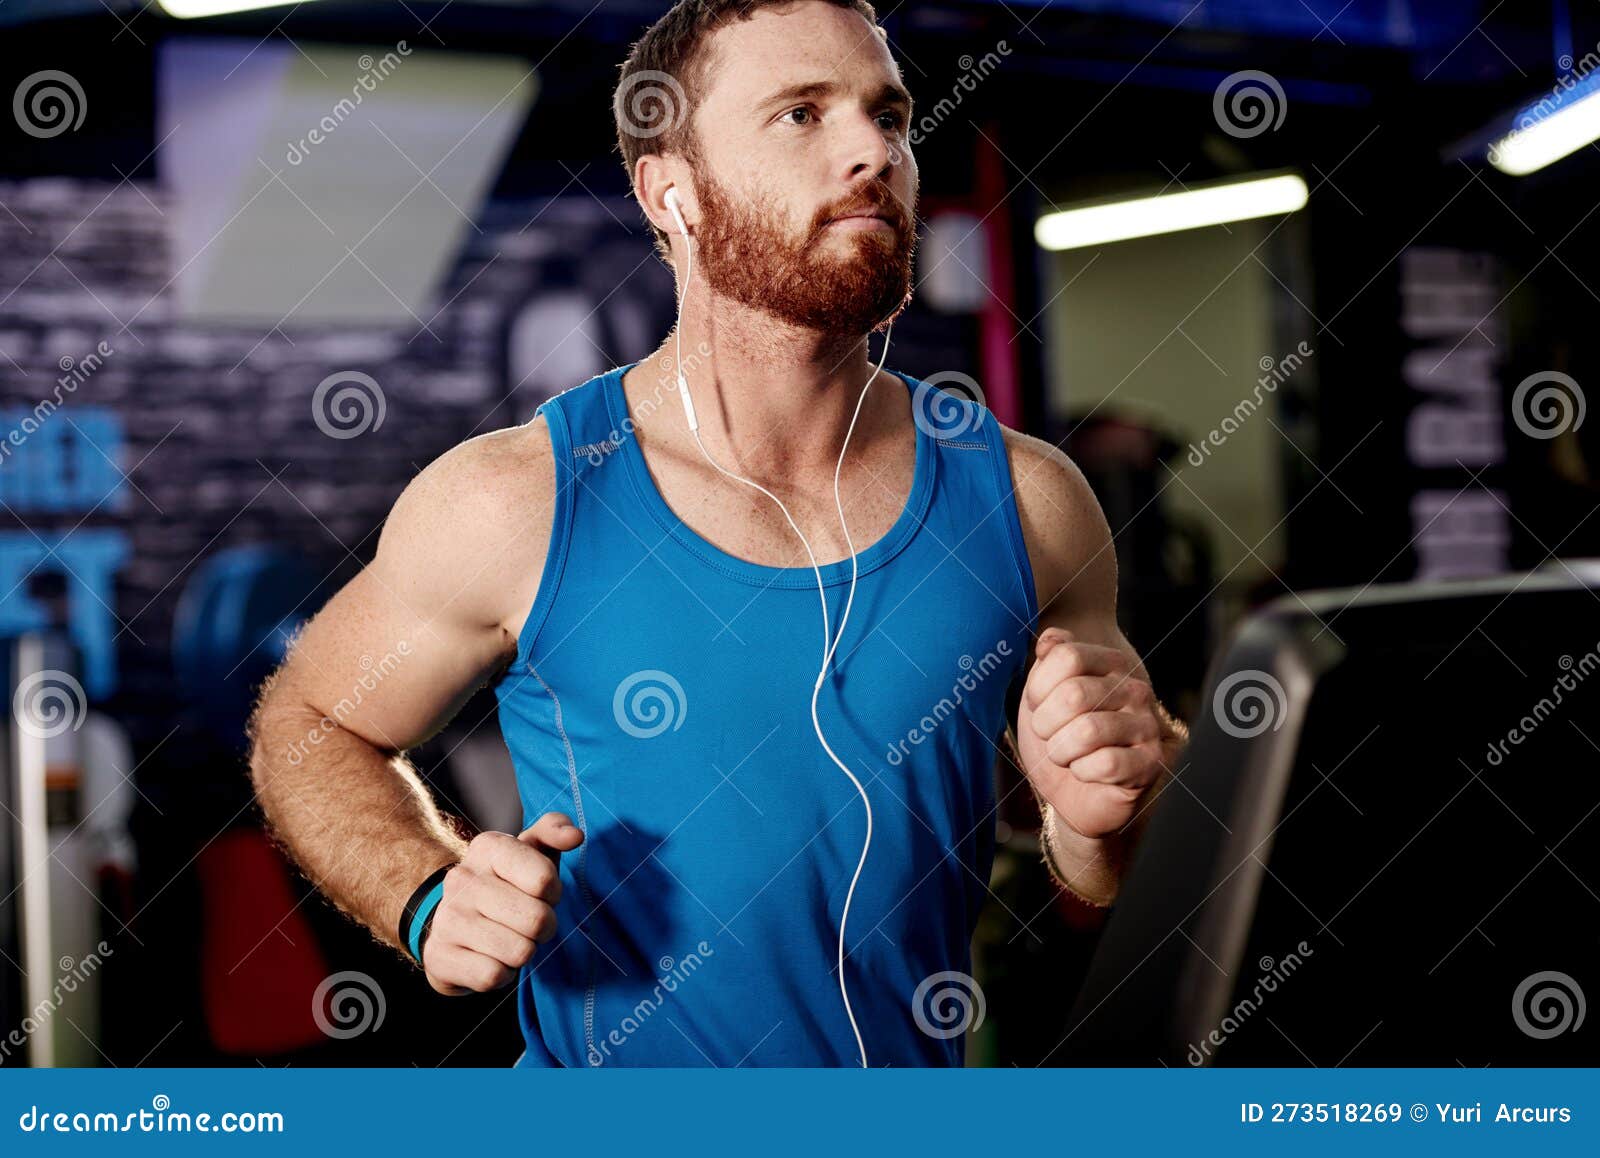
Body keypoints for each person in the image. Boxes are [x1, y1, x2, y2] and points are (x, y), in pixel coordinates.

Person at [248, 0, 1187, 1068]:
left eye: (889, 115)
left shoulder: (1028, 499)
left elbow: (1103, 852)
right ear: (674, 193)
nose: (871, 151)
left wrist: (1106, 814)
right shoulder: (521, 499)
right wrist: (422, 892)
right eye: (800, 114)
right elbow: (310, 719)